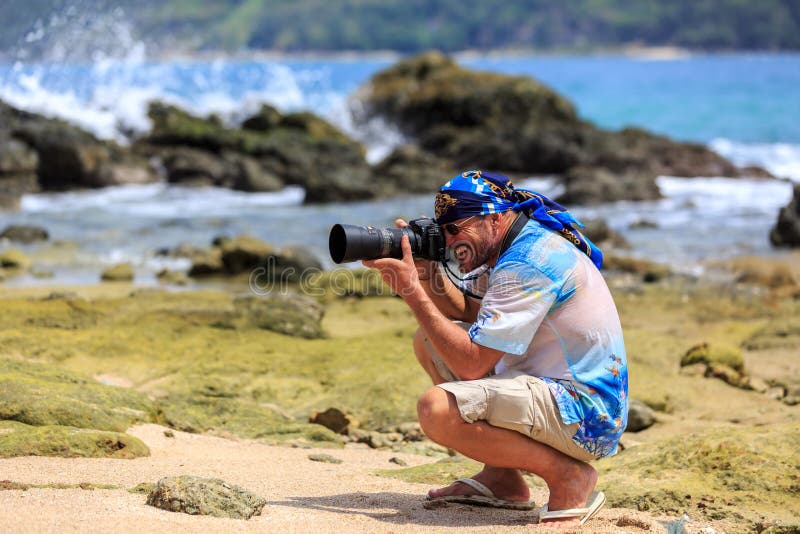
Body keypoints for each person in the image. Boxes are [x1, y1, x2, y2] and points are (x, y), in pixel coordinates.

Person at [362, 170, 628, 527]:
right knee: (429, 341)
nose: (449, 240)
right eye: (442, 230)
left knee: (436, 409)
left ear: (494, 218)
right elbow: (470, 311)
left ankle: (569, 477)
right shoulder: (510, 247)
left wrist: (411, 292)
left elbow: (471, 363)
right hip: (555, 393)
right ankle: (502, 479)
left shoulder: (528, 262)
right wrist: (426, 273)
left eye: (455, 228)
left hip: (585, 416)